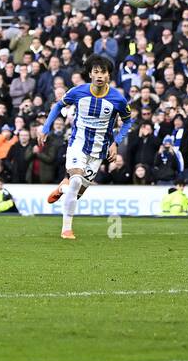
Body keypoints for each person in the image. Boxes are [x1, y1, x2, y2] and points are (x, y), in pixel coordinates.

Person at [40, 56, 132, 240]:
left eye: (103, 72)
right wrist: (46, 127)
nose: (99, 76)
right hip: (78, 144)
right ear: (90, 74)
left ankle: (62, 189)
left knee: (77, 192)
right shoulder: (78, 92)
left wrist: (116, 141)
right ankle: (66, 229)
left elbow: (128, 121)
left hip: (99, 151)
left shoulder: (118, 99)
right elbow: (58, 106)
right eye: (96, 72)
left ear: (108, 75)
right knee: (75, 182)